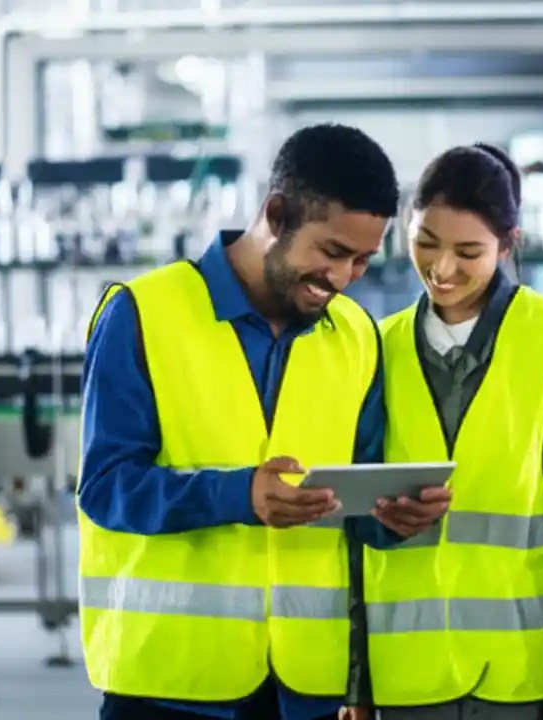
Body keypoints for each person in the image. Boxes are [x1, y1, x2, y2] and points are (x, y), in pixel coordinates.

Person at [76, 123, 451, 720]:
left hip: (308, 689)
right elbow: (105, 488)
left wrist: (394, 519)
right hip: (170, 686)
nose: (344, 277)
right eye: (331, 253)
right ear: (276, 214)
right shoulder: (143, 314)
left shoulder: (356, 337)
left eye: (361, 259)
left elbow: (357, 496)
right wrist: (238, 495)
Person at [350, 144, 543, 720]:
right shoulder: (375, 347)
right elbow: (347, 540)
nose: (442, 269)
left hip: (524, 686)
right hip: (408, 685)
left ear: (508, 245)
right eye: (425, 243)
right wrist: (355, 683)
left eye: (469, 252)